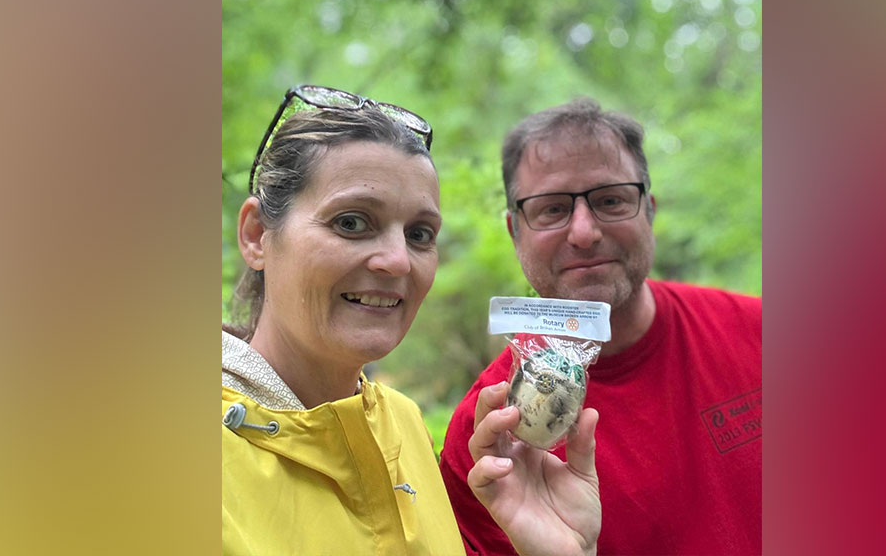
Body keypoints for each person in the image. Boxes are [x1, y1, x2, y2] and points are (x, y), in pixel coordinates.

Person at [221, 85, 602, 556]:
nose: (398, 261)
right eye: (351, 222)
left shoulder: (404, 423)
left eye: (420, 233)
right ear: (257, 235)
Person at [440, 98, 762, 555]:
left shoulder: (765, 336)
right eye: (552, 209)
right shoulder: (488, 438)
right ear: (515, 231)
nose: (584, 232)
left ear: (649, 210)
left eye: (610, 200)